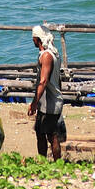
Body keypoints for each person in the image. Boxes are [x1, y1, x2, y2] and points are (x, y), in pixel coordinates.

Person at [28, 24, 66, 161]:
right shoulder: (54, 54)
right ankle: (44, 160)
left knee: (51, 135)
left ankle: (56, 162)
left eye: (33, 38)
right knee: (40, 131)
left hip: (50, 102)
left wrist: (34, 103)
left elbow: (43, 81)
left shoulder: (46, 56)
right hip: (50, 100)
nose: (32, 40)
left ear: (37, 39)